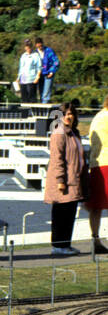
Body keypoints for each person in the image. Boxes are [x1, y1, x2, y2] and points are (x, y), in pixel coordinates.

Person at [46, 102, 87, 255]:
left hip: (74, 180)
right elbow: (57, 159)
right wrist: (59, 180)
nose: (69, 116)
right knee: (60, 214)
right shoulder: (59, 133)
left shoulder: (74, 133)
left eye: (71, 113)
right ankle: (58, 246)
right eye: (66, 114)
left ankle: (65, 245)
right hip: (63, 182)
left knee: (69, 213)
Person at [84, 95, 108, 253]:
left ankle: (95, 238)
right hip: (106, 162)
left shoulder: (98, 116)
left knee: (96, 206)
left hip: (96, 164)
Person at [36, 36, 58, 104]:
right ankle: (41, 107)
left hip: (48, 74)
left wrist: (52, 71)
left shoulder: (49, 51)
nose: (40, 46)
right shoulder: (35, 53)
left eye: (41, 44)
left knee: (46, 93)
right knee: (41, 92)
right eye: (38, 45)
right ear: (36, 45)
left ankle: (45, 107)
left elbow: (56, 61)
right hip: (39, 75)